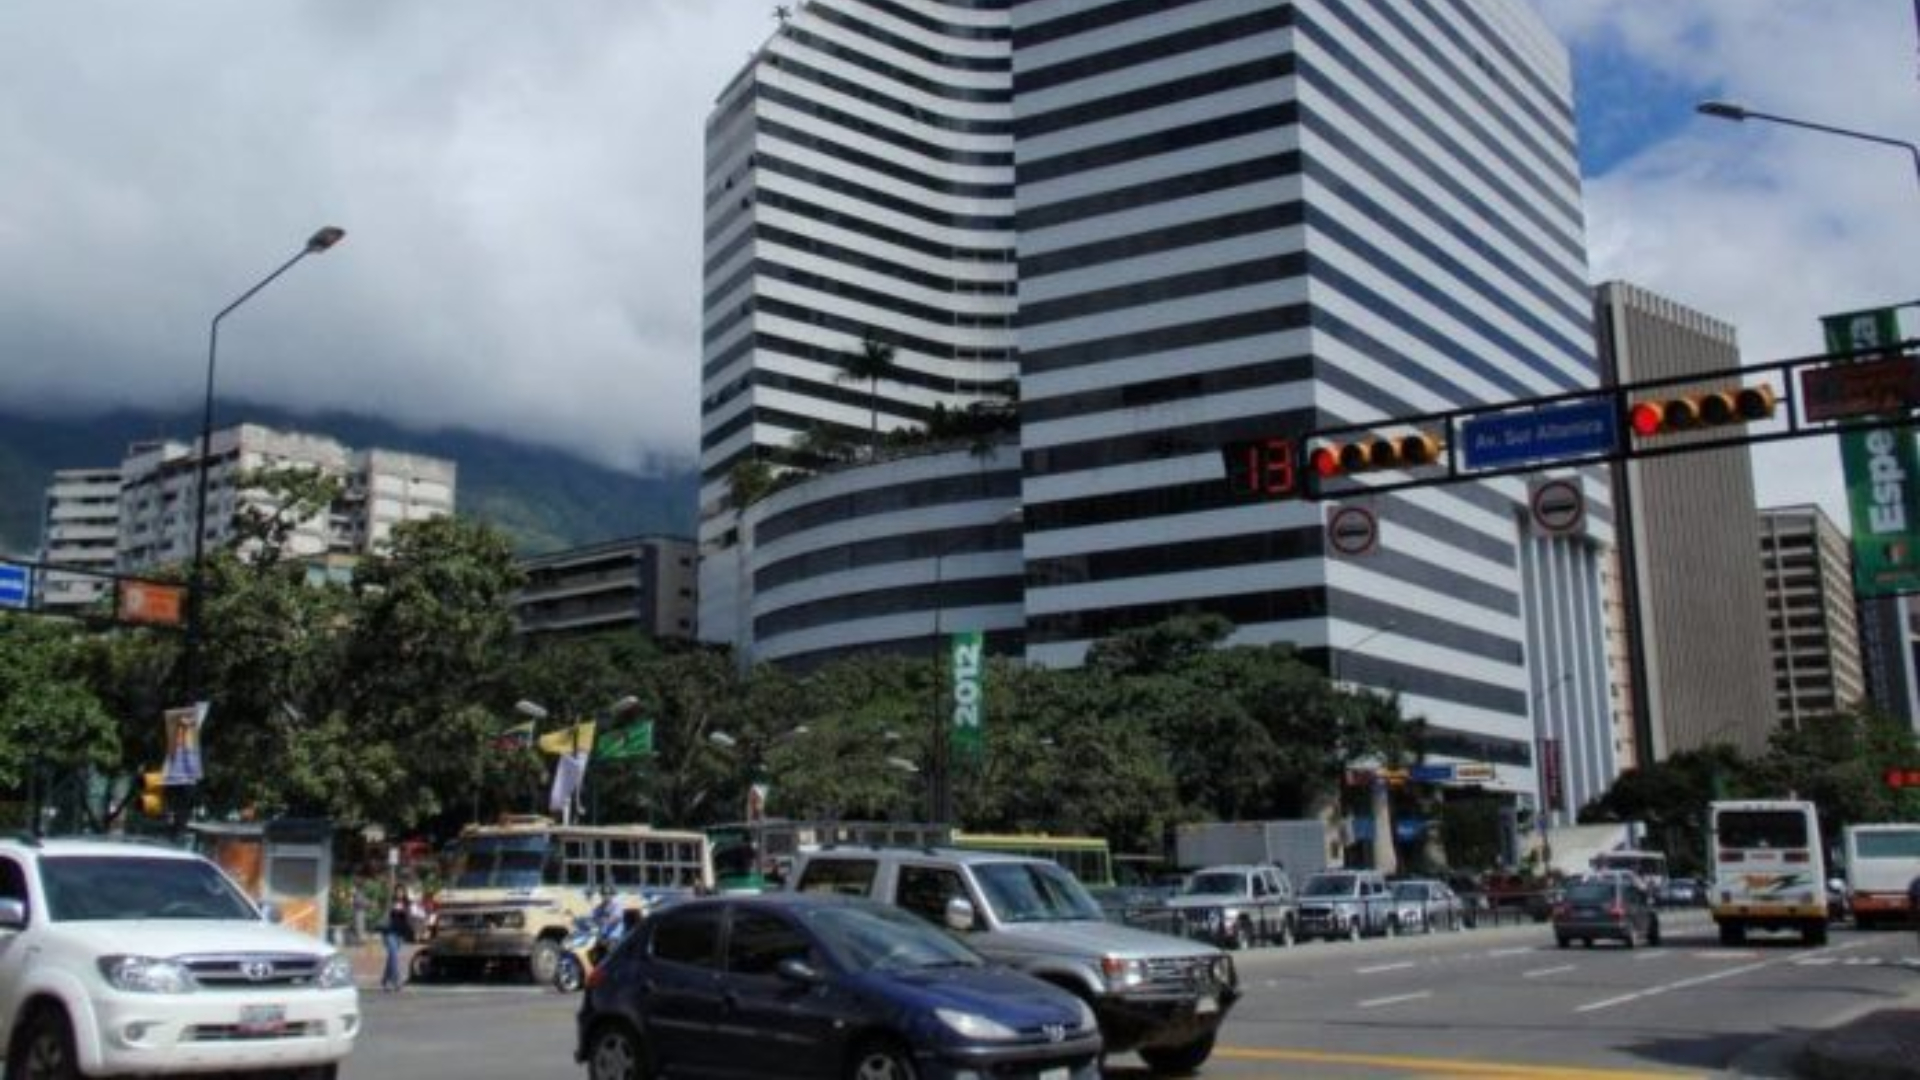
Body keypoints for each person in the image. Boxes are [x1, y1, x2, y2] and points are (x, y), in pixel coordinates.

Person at [382, 885, 411, 992]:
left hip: (399, 934)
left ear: (404, 893)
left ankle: (385, 981)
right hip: (389, 933)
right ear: (395, 892)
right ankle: (397, 981)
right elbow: (385, 916)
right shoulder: (390, 902)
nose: (399, 893)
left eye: (401, 891)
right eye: (398, 891)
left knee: (391, 957)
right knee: (394, 956)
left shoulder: (407, 904)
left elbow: (409, 919)